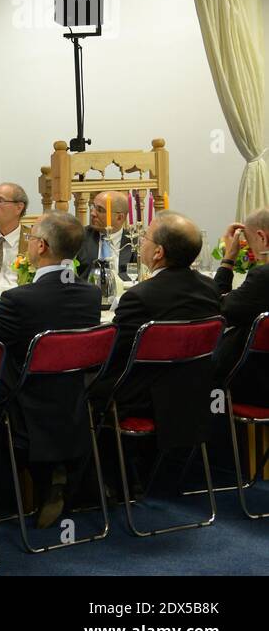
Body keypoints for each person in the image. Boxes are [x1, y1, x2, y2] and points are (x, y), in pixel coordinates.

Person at [0, 211, 101, 527]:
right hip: (73, 398)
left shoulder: (18, 300)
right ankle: (59, 474)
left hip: (23, 403)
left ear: (41, 247)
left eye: (31, 237)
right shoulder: (90, 295)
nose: (28, 242)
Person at [99, 213, 220, 451]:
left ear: (158, 253)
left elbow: (115, 355)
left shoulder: (139, 297)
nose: (140, 241)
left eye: (145, 237)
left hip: (146, 398)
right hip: (196, 390)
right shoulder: (210, 288)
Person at [212, 210, 269, 400]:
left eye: (251, 246)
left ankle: (219, 424)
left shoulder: (263, 277)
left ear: (262, 237)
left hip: (255, 383)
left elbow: (218, 313)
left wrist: (229, 257)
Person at [75, 191, 135, 282]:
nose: (93, 213)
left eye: (100, 210)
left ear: (119, 217)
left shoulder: (134, 242)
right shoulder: (79, 237)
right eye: (93, 207)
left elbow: (139, 274)